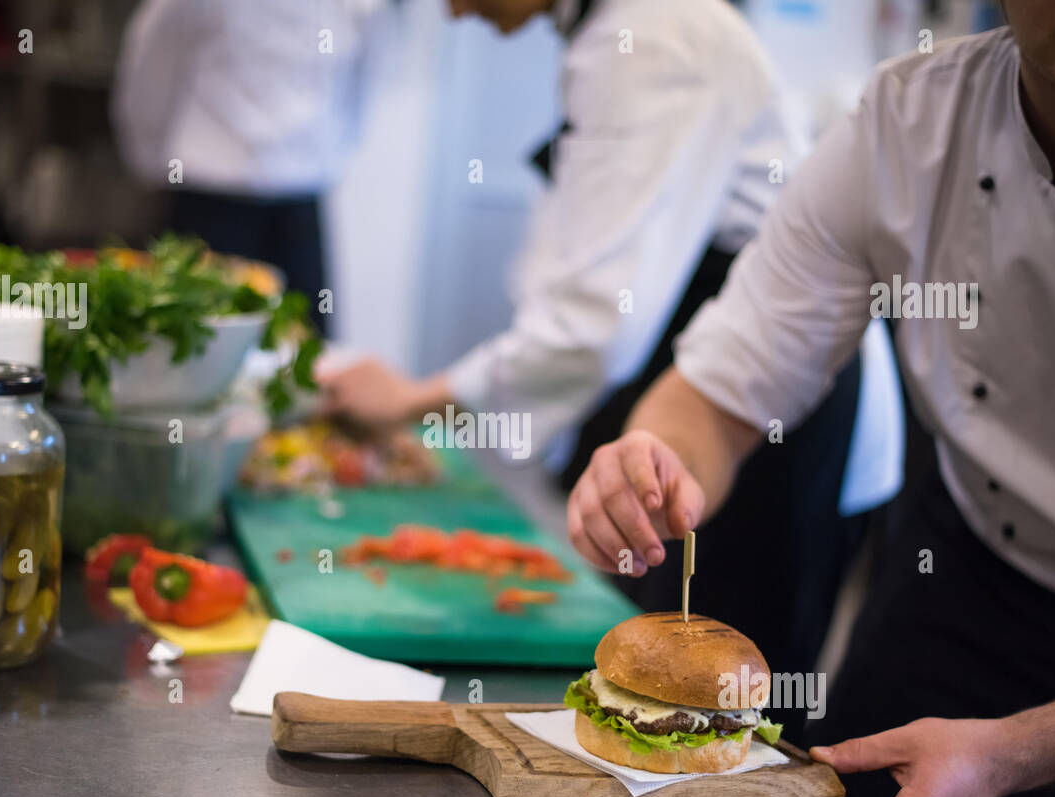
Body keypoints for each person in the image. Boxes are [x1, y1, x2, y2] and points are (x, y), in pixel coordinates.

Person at [565, 0, 1055, 797]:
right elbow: (723, 386)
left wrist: (1012, 752)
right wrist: (651, 462)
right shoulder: (909, 121)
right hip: (960, 579)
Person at [323, 0, 904, 681]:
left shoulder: (656, 38)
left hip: (771, 419)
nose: (451, 10)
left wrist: (413, 398)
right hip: (692, 405)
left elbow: (595, 327)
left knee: (728, 712)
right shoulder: (614, 34)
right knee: (648, 681)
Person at [112, 0, 389, 331]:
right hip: (208, 203)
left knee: (306, 354)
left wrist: (325, 159)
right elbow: (151, 67)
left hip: (297, 209)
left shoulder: (360, 6)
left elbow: (363, 83)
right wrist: (150, 160)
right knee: (186, 351)